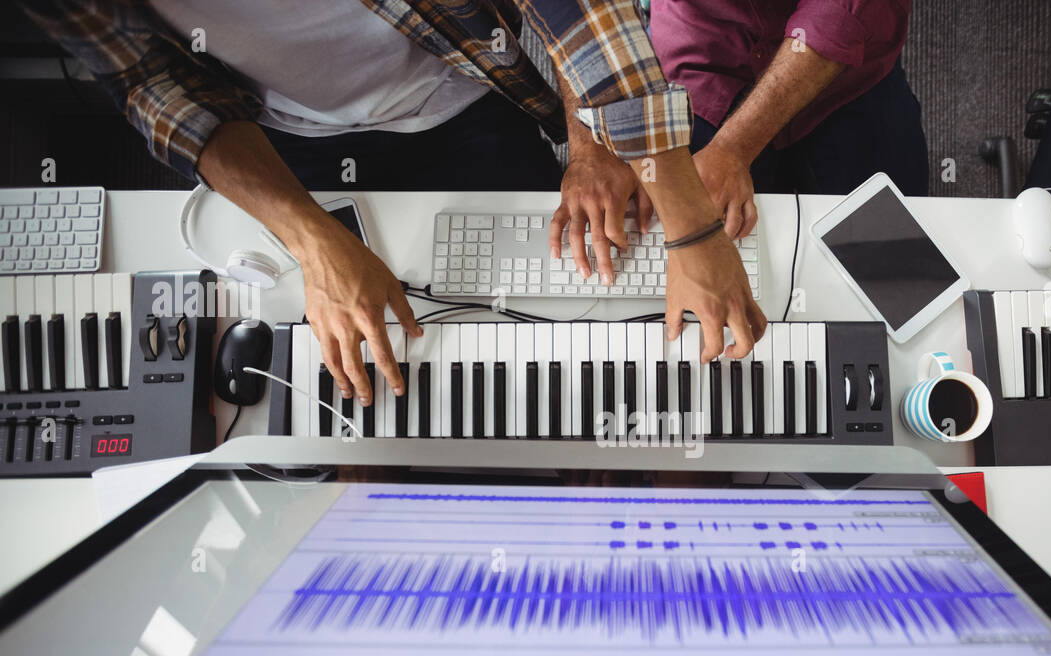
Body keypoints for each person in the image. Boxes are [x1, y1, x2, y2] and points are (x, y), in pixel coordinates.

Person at [20, 0, 765, 408]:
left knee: (548, 323)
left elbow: (576, 14)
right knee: (365, 370)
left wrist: (682, 221)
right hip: (281, 140)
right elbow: (153, 84)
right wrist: (314, 242)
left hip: (475, 91)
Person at [649, 0, 928, 239]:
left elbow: (840, 11)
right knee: (673, 245)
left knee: (891, 260)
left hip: (848, 70)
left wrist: (733, 149)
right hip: (703, 55)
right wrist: (603, 148)